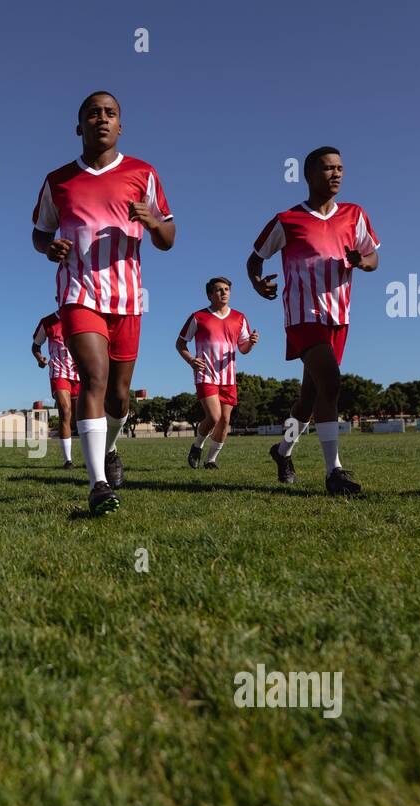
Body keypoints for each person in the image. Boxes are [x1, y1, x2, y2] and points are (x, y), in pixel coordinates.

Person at [31, 91, 174, 514]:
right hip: (78, 294)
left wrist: (152, 222)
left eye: (110, 113)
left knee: (119, 396)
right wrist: (48, 248)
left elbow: (168, 239)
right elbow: (40, 231)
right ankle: (96, 484)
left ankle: (110, 449)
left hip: (128, 298)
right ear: (79, 127)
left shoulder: (142, 173)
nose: (102, 119)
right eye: (93, 114)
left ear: (120, 125)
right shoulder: (58, 180)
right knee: (92, 377)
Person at [247, 146, 379, 495]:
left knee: (309, 399)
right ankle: (334, 471)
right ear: (308, 175)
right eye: (327, 168)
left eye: (340, 168)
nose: (335, 174)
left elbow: (373, 258)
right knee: (331, 383)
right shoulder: (287, 220)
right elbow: (255, 259)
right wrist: (258, 284)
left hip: (339, 317)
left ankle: (282, 450)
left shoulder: (354, 214)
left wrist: (361, 261)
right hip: (303, 316)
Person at [176, 278, 258, 469]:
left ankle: (211, 460)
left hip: (228, 377)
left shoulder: (239, 317)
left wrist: (251, 343)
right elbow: (180, 344)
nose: (224, 293)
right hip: (206, 374)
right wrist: (191, 360)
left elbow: (243, 349)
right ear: (209, 295)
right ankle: (197, 446)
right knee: (214, 416)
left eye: (227, 289)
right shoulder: (198, 317)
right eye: (219, 290)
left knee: (225, 420)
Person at [31, 311, 79, 468]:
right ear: (58, 299)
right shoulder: (47, 322)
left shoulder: (81, 318)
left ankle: (96, 457)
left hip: (80, 372)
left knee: (80, 418)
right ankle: (67, 461)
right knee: (65, 411)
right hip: (58, 372)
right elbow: (36, 345)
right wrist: (40, 359)